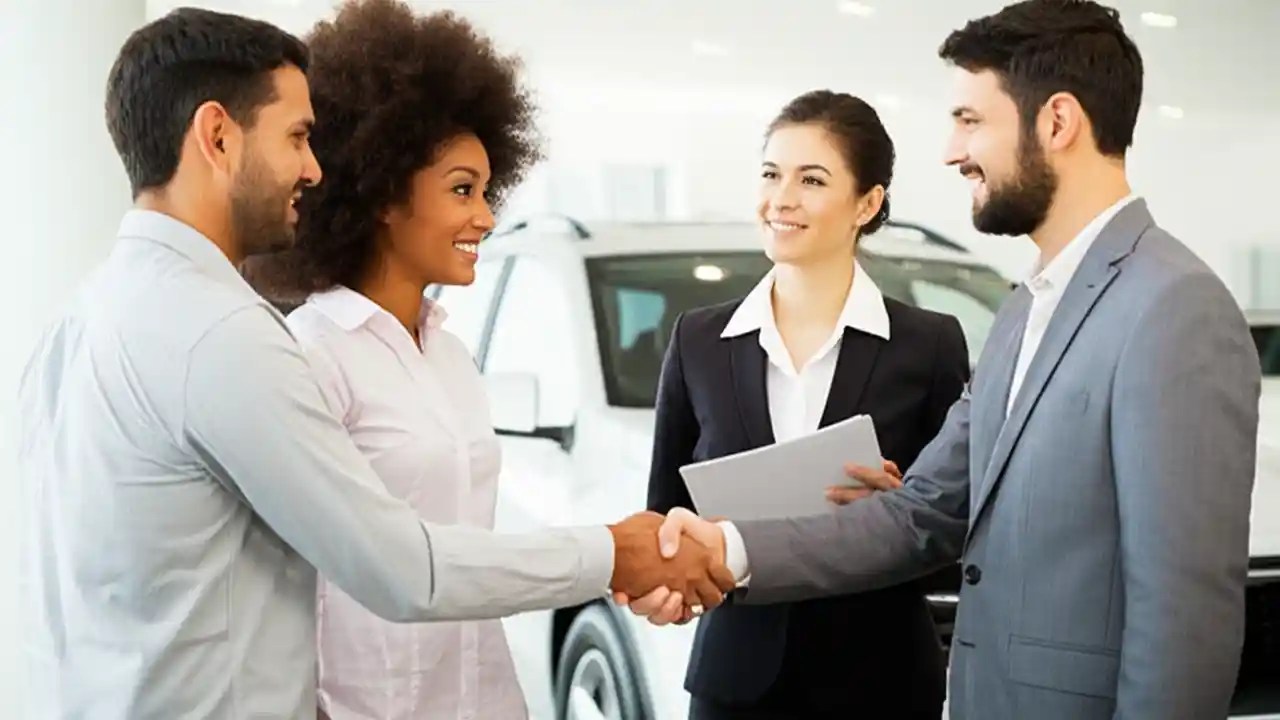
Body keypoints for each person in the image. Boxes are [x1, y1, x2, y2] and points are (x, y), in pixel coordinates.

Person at [15, 8, 733, 718]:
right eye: (296, 136)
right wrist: (614, 551)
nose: (314, 166)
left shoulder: (75, 324)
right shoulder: (227, 336)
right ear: (217, 136)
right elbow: (403, 570)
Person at [629, 1, 1261, 719]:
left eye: (971, 120)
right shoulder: (1026, 309)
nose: (951, 151)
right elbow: (921, 512)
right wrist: (726, 548)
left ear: (1056, 123)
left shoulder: (1174, 307)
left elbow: (1184, 616)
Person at [241, 2, 553, 717]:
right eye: (461, 191)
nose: (485, 216)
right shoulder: (314, 354)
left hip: (483, 698)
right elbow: (294, 573)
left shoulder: (450, 354)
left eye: (485, 190)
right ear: (383, 194)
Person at [639, 90, 969, 719]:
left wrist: (897, 513)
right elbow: (665, 516)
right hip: (735, 681)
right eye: (771, 174)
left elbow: (957, 533)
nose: (781, 199)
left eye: (811, 179)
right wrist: (666, 582)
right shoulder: (699, 342)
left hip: (881, 682)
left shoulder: (928, 346)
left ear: (867, 204)